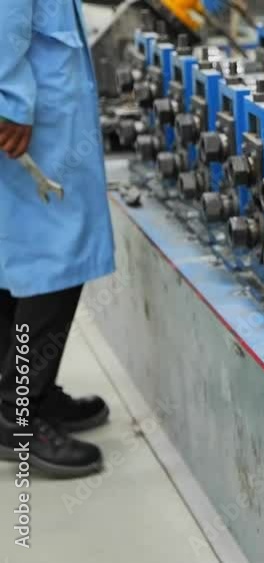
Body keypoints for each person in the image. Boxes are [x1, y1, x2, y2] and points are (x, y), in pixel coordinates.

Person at [0, 0, 116, 477]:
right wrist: (8, 100)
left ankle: (30, 393)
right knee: (55, 263)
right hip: (34, 111)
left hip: (41, 96)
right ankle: (16, 409)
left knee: (21, 258)